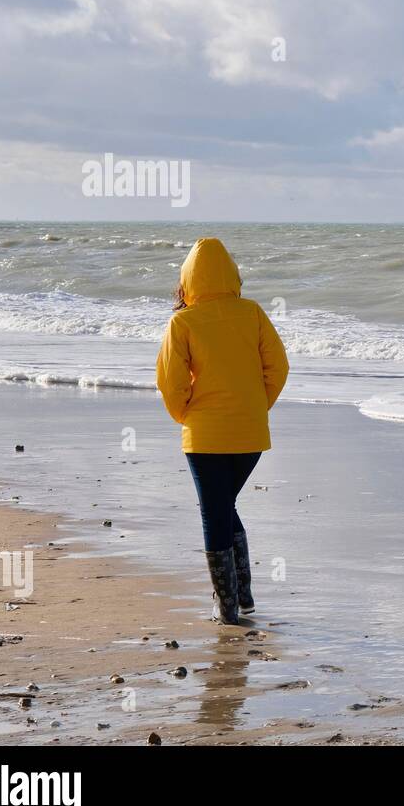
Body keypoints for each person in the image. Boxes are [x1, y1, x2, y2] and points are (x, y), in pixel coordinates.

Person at [156, 238, 289, 624]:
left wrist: (186, 415)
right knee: (222, 507)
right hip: (250, 435)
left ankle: (227, 608)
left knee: (214, 513)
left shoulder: (182, 322)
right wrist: (254, 406)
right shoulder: (253, 313)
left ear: (187, 281)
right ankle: (242, 597)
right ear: (232, 275)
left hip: (205, 434)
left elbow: (170, 383)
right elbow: (278, 368)